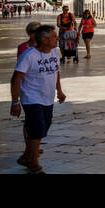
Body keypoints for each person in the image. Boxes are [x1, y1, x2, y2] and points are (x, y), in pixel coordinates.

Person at [10, 25, 66, 173]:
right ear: (44, 39)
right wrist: (15, 101)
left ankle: (27, 156)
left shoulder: (55, 52)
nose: (57, 38)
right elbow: (15, 79)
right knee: (36, 130)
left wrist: (59, 90)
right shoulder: (28, 55)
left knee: (43, 129)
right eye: (54, 36)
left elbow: (56, 71)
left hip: (48, 98)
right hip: (31, 98)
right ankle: (33, 163)